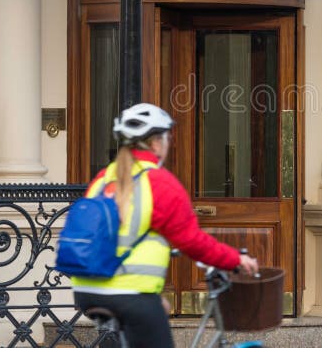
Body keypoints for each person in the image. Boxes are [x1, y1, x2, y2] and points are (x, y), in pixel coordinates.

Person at [71, 102, 258, 348]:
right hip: (128, 293)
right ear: (156, 142)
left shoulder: (103, 179)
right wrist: (235, 259)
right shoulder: (159, 183)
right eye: (168, 138)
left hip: (86, 290)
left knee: (154, 310)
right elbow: (192, 240)